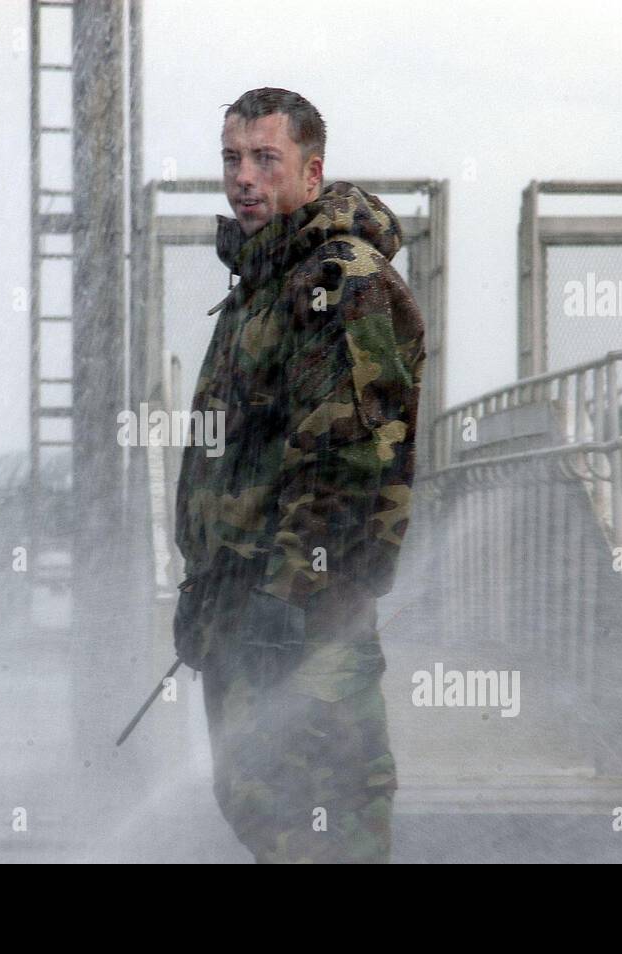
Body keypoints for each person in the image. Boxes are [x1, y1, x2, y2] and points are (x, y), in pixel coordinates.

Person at [173, 88, 425, 863]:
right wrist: (204, 590)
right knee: (262, 803)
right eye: (231, 159)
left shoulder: (337, 281)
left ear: (311, 173)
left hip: (303, 616)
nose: (243, 178)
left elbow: (345, 459)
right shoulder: (262, 287)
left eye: (265, 159)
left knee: (322, 814)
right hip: (244, 602)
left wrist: (289, 597)